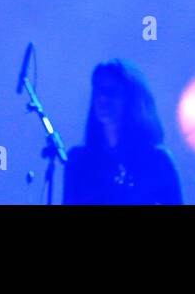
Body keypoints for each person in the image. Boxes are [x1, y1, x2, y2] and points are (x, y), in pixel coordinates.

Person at [63, 59, 183, 205]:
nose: (103, 98)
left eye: (112, 91)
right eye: (99, 90)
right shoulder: (79, 161)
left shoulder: (157, 161)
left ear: (130, 100)